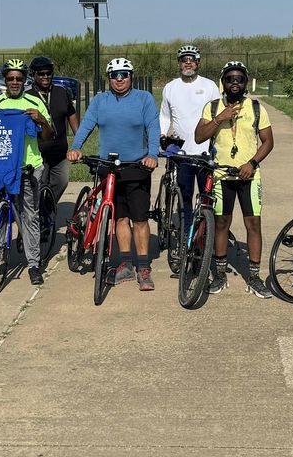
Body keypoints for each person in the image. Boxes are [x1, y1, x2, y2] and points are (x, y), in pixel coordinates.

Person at [67, 58, 160, 291]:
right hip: (110, 168)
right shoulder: (100, 100)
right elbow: (86, 125)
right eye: (115, 75)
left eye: (124, 74)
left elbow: (154, 128)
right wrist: (76, 147)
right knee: (119, 218)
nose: (120, 79)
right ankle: (126, 264)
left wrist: (152, 155)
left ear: (131, 76)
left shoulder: (144, 99)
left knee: (139, 219)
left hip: (137, 167)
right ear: (108, 78)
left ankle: (143, 267)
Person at [194, 61, 275, 299]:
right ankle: (220, 274)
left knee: (253, 225)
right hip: (221, 175)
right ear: (224, 82)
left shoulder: (257, 108)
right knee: (221, 224)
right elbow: (199, 137)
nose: (235, 83)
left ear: (245, 82)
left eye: (239, 78)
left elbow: (268, 141)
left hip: (249, 176)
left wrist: (252, 163)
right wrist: (220, 118)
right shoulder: (212, 107)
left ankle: (254, 277)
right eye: (230, 79)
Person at [0, 59, 54, 287]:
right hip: (0, 169)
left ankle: (33, 264)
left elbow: (49, 136)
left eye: (19, 78)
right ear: (5, 80)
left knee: (29, 216)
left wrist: (40, 120)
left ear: (25, 79)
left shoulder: (34, 102)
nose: (15, 82)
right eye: (11, 78)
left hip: (29, 167)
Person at [157, 45, 220, 229]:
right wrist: (162, 135)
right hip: (181, 153)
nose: (188, 62)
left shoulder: (209, 86)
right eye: (184, 59)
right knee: (185, 197)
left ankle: (204, 237)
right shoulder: (170, 87)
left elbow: (217, 115)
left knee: (206, 198)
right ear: (179, 63)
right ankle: (185, 236)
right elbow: (164, 116)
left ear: (198, 63)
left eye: (192, 59)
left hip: (204, 153)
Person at [26, 55, 80, 214]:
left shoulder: (61, 92)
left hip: (60, 152)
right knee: (39, 186)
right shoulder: (27, 95)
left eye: (49, 73)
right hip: (39, 152)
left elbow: (71, 113)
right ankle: (37, 221)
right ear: (33, 75)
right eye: (41, 74)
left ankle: (46, 212)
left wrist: (78, 137)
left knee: (61, 183)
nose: (45, 77)